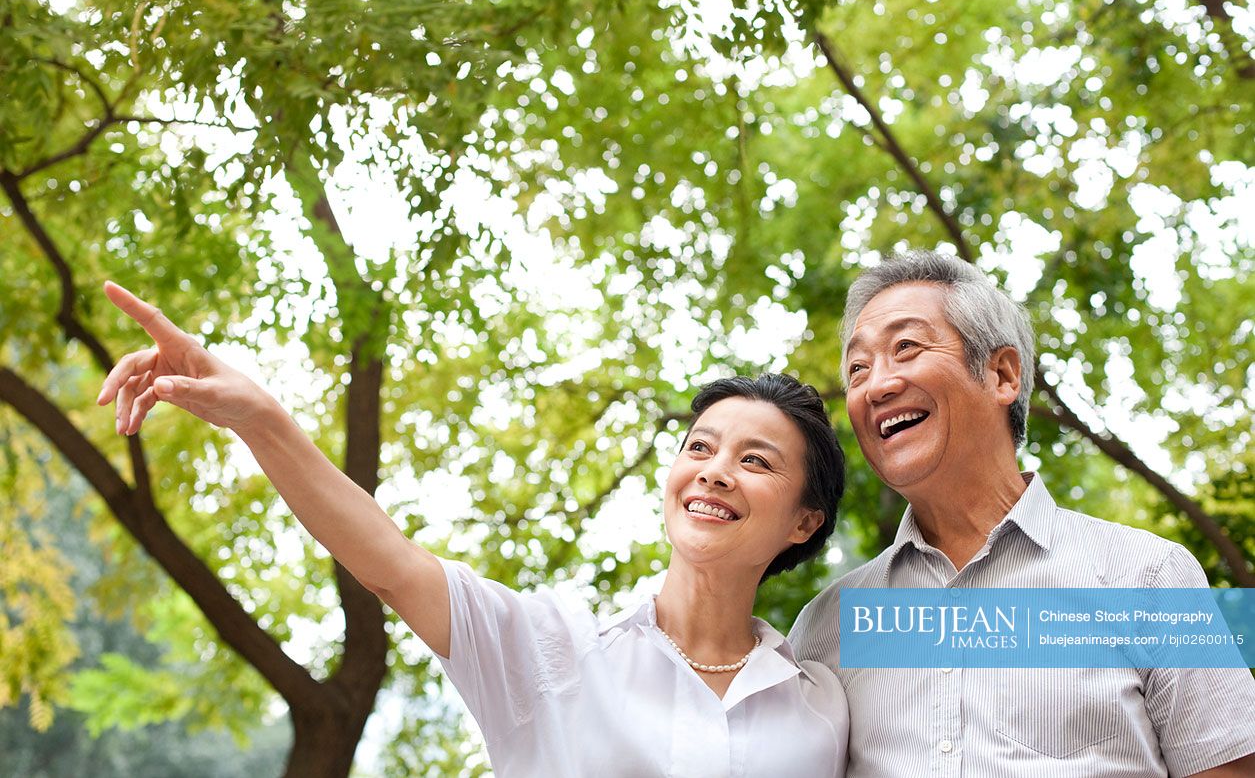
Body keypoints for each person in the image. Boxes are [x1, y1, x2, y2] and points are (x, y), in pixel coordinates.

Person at [96, 281, 849, 778]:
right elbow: (389, 563)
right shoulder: (555, 647)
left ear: (804, 521)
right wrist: (260, 419)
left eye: (754, 461)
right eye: (699, 447)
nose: (714, 472)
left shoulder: (821, 703)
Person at [789, 250, 1255, 777]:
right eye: (857, 368)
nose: (877, 385)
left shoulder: (1151, 578)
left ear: (1003, 374)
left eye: (907, 347)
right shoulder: (826, 627)